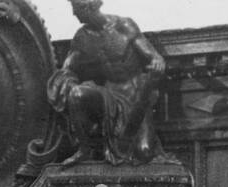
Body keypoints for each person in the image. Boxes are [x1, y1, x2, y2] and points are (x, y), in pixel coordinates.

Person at [47, 0, 166, 166]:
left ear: (88, 7)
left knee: (144, 152)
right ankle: (84, 150)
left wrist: (157, 62)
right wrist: (67, 83)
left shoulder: (124, 26)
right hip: (109, 96)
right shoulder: (82, 38)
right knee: (77, 93)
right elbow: (68, 68)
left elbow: (153, 56)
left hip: (136, 94)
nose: (74, 14)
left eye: (76, 9)